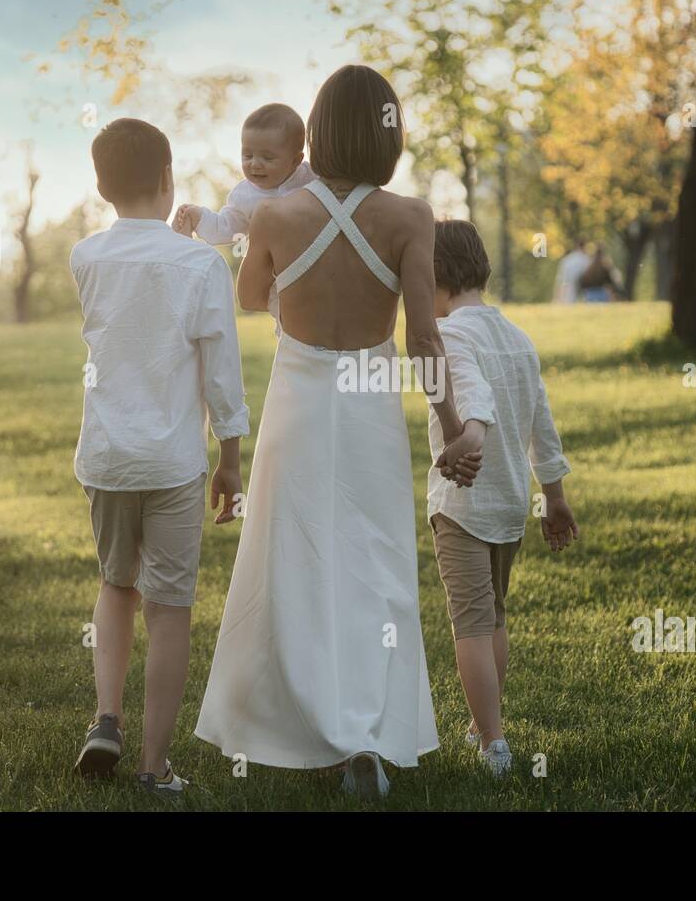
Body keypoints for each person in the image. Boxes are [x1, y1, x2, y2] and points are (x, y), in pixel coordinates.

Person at [194, 65, 481, 798]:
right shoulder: (411, 216)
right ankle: (368, 734)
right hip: (370, 399)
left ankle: (309, 728)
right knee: (374, 562)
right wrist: (452, 428)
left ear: (314, 135)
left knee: (292, 556)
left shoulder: (274, 217)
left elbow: (252, 295)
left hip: (300, 393)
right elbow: (424, 337)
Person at [69, 118, 250, 799]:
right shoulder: (202, 263)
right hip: (174, 461)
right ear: (169, 177)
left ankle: (106, 717)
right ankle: (154, 764)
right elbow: (221, 372)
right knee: (169, 607)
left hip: (107, 457)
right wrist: (229, 459)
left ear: (100, 186)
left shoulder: (85, 256)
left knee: (117, 586)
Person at [427, 220, 578, 777]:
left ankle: (493, 743)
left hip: (463, 505)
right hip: (512, 505)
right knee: (493, 617)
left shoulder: (451, 336)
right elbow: (544, 424)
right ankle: (480, 727)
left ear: (431, 279)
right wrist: (554, 497)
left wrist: (471, 434)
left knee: (469, 623)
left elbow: (473, 394)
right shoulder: (517, 337)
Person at [174, 103, 316, 333]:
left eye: (268, 158)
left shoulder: (312, 176)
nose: (254, 164)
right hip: (282, 282)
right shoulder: (245, 196)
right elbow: (225, 227)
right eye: (247, 155)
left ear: (296, 160)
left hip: (322, 266)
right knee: (293, 330)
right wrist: (198, 216)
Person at [552, 238, 591, 303]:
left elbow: (561, 281)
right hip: (584, 290)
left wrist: (557, 298)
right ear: (584, 247)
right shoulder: (587, 260)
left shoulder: (567, 260)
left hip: (569, 290)